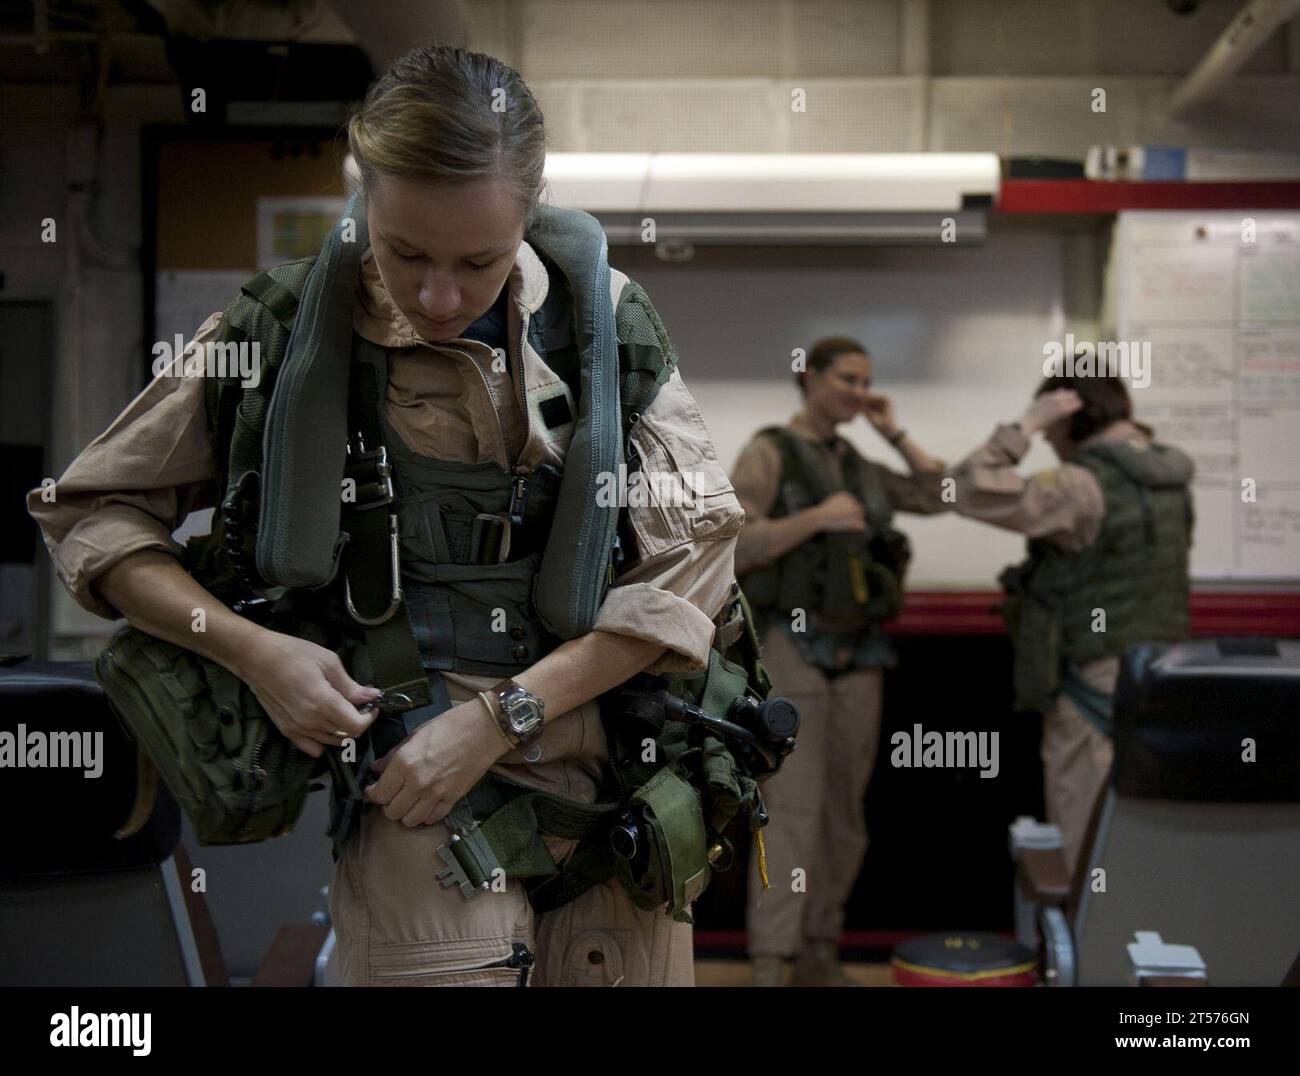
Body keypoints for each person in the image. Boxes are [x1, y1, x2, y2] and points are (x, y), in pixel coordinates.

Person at [27, 44, 750, 987]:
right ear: (363, 198)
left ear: (528, 218)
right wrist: (254, 651)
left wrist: (501, 719)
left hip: (623, 774)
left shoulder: (608, 330)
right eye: (405, 252)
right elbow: (95, 511)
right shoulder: (281, 335)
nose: (438, 297)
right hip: (415, 781)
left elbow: (690, 567)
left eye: (478, 262)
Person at [729, 336, 945, 987]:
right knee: (790, 813)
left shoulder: (859, 462)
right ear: (810, 377)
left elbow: (942, 494)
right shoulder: (770, 452)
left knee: (844, 818)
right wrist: (816, 519)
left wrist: (894, 430)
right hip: (794, 648)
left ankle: (820, 947)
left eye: (865, 381)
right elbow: (732, 544)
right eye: (846, 379)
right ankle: (772, 961)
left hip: (861, 651)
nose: (856, 391)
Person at [943, 372, 1194, 874]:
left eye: (1054, 426)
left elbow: (963, 486)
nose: (1052, 442)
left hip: (1092, 681)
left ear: (1070, 414)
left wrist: (1026, 424)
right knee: (1146, 833)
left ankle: (1086, 948)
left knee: (1085, 839)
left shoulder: (1081, 485)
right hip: (1161, 676)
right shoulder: (1167, 475)